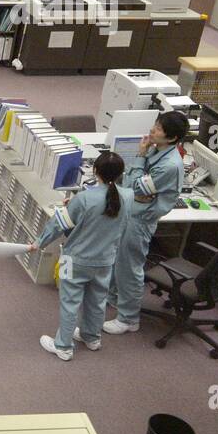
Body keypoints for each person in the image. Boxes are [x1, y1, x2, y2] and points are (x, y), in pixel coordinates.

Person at [30, 151, 132, 361]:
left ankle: (63, 346)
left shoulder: (84, 198)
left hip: (73, 260)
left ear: (95, 171)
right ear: (122, 173)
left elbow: (59, 225)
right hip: (105, 261)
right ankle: (91, 337)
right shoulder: (128, 197)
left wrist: (39, 243)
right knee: (97, 300)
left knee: (69, 302)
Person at [104, 110, 189, 335]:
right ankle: (113, 297)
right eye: (156, 124)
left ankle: (129, 319)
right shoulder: (157, 149)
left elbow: (133, 187)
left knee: (129, 269)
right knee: (117, 261)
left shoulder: (169, 164)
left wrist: (140, 157)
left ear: (171, 138)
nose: (153, 130)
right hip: (133, 212)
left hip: (140, 220)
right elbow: (135, 186)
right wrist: (138, 182)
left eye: (159, 129)